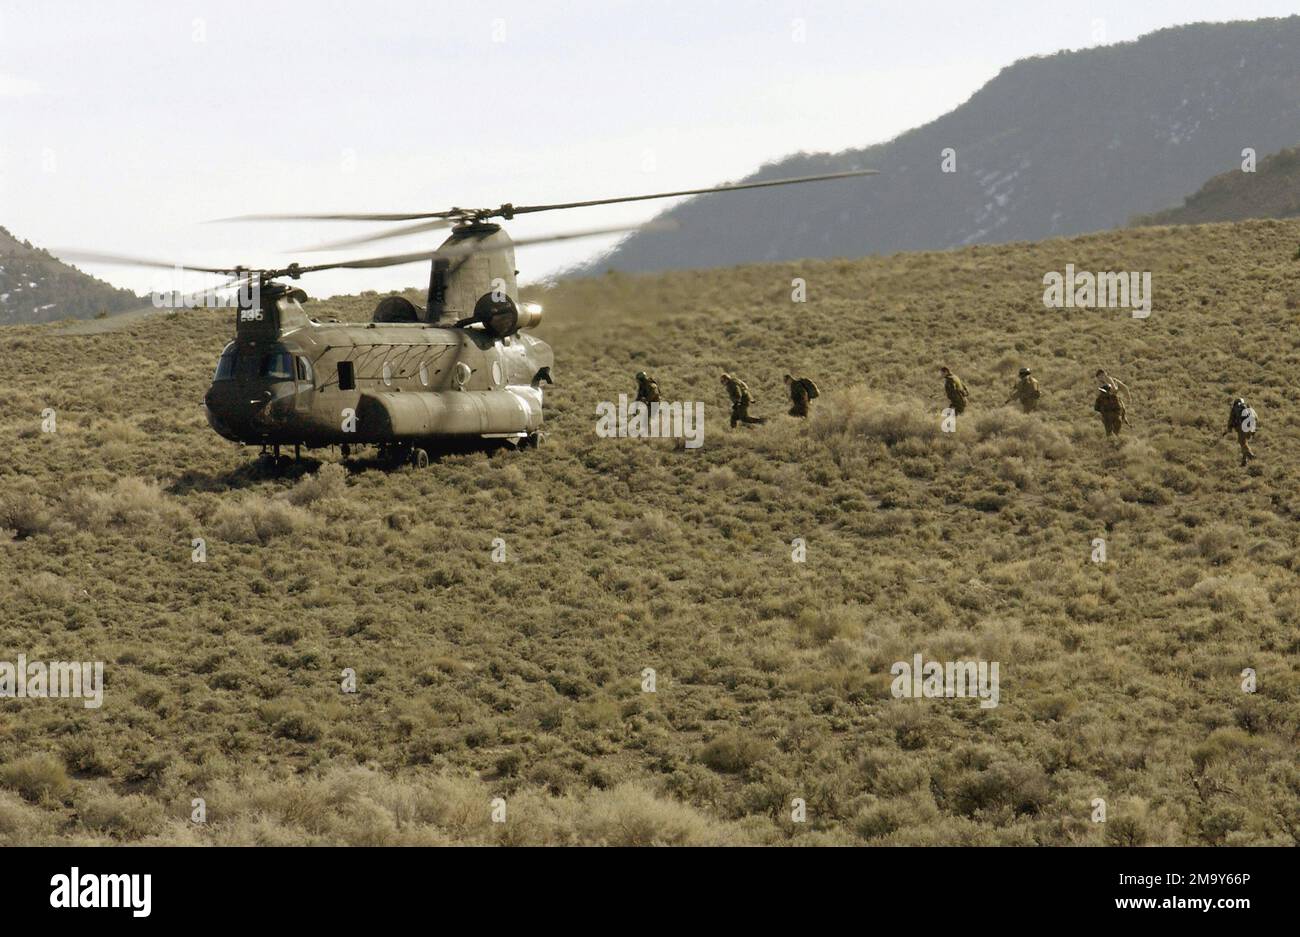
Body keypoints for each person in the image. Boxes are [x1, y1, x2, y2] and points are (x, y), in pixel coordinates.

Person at [1223, 397, 1257, 466]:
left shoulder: (1235, 409)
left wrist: (1227, 430)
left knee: (1242, 442)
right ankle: (1244, 461)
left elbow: (1231, 421)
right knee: (1244, 442)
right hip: (1252, 425)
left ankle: (1251, 455)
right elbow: (1255, 416)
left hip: (1243, 427)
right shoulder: (1248, 407)